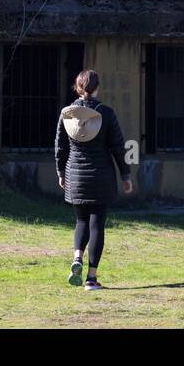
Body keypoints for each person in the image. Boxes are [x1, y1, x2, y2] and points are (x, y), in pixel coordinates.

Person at [55, 69, 131, 290]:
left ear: (77, 87)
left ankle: (77, 258)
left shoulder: (66, 114)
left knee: (81, 221)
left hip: (76, 176)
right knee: (97, 225)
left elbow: (60, 146)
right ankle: (91, 278)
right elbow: (118, 146)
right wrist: (125, 174)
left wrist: (61, 172)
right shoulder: (106, 113)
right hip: (101, 177)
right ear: (97, 88)